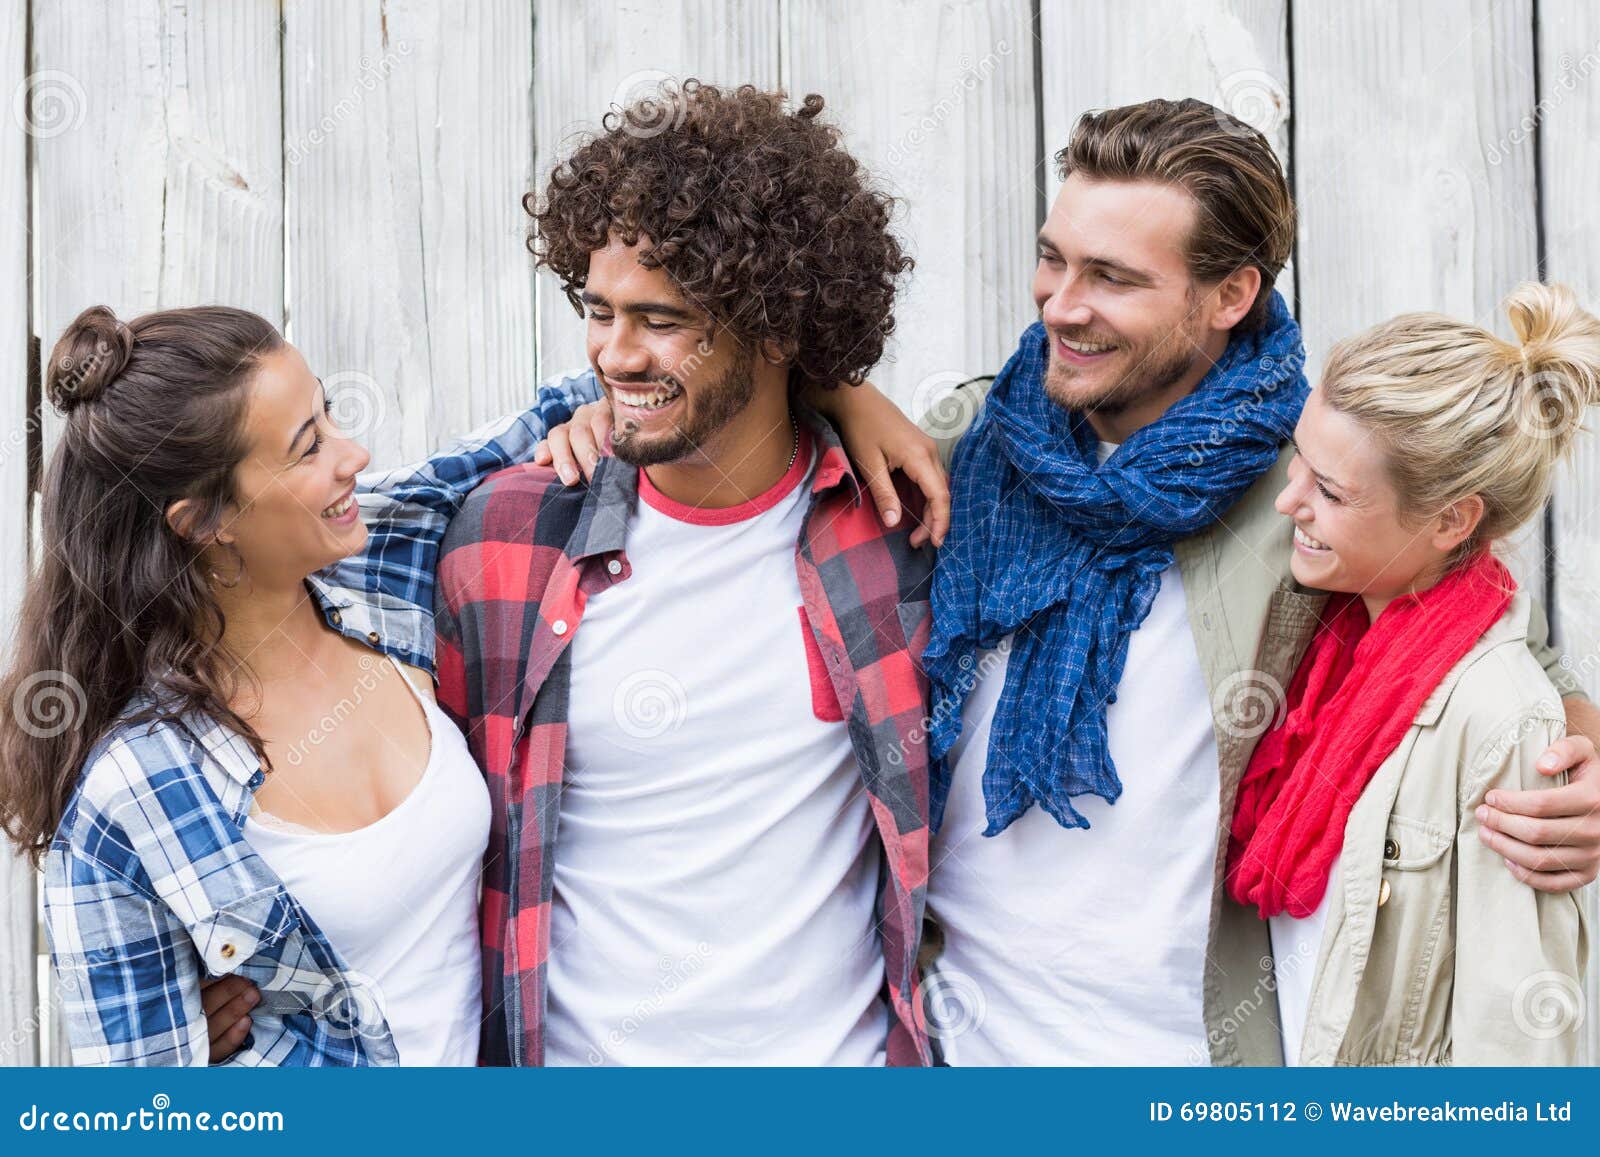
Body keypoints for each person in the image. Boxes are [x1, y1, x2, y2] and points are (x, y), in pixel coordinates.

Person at [538, 97, 1600, 1065]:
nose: (1061, 304)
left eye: (1115, 279)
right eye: (1054, 260)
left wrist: (1586, 762)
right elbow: (714, 394)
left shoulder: (1312, 492)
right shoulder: (961, 447)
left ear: (1230, 294)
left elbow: (1501, 667)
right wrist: (827, 387)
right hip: (951, 1056)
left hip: (1199, 1060)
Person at [429, 80, 936, 1065]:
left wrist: (849, 394)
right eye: (597, 311)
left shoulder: (896, 530)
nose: (613, 356)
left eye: (660, 319)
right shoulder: (505, 541)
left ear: (780, 325)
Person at [0, 304, 599, 1064]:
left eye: (328, 413)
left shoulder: (374, 557)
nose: (353, 453)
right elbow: (139, 1116)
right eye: (307, 445)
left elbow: (566, 408)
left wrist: (589, 415)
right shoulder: (136, 794)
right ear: (204, 519)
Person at [1226, 284, 1595, 1064]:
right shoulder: (1326, 642)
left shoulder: (1501, 717)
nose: (1289, 501)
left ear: (1452, 519)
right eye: (1300, 466)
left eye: (1329, 491)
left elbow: (1516, 1053)